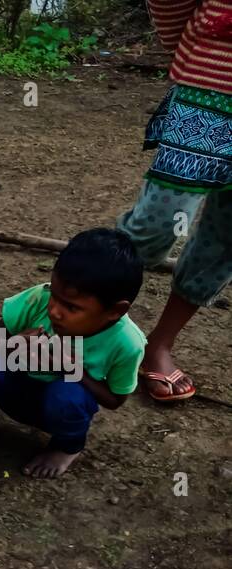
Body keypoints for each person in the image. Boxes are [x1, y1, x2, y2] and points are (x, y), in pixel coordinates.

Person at [0, 229, 146, 478]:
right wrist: (11, 342)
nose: (55, 311)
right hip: (14, 387)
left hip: (58, 405)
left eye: (71, 307)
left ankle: (66, 447)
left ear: (114, 311)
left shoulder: (127, 343)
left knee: (67, 395)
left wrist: (70, 369)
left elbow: (114, 400)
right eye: (55, 297)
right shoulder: (39, 299)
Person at [116, 0, 232, 403]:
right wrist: (188, 44)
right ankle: (83, 326)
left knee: (226, 238)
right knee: (158, 221)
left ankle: (158, 346)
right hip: (209, 91)